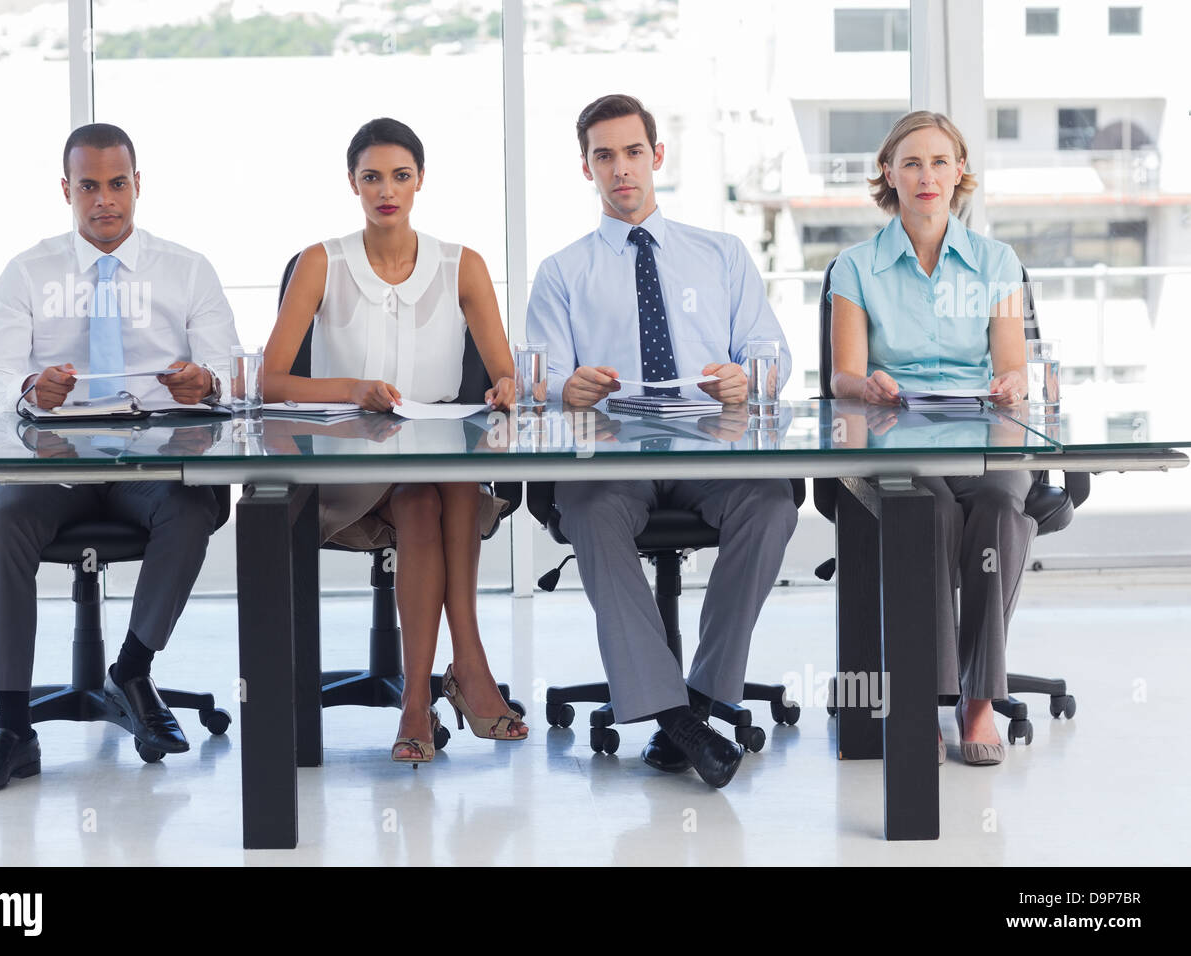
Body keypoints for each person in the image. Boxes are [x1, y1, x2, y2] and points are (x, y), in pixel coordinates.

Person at [0, 123, 239, 793]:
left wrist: (207, 382)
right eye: (89, 186)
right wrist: (29, 388)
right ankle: (12, 730)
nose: (104, 200)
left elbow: (232, 371)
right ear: (66, 190)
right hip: (58, 462)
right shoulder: (29, 272)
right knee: (3, 517)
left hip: (152, 462)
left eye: (117, 184)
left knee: (190, 508)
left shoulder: (187, 269)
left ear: (138, 185)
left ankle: (131, 672)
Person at [526, 94, 798, 789]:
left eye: (633, 152)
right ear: (586, 167)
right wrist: (567, 388)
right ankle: (681, 721)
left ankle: (697, 697)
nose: (621, 168)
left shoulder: (722, 255)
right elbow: (541, 378)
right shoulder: (562, 271)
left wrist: (747, 377)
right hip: (613, 448)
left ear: (657, 156)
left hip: (710, 442)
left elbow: (772, 354)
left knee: (772, 503)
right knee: (589, 509)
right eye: (604, 156)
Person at [263, 117, 526, 763]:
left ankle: (420, 699)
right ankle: (466, 674)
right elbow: (270, 381)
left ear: (420, 181)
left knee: (433, 490)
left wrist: (506, 389)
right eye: (372, 177)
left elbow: (506, 375)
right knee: (432, 490)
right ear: (352, 183)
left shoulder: (462, 265)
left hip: (433, 464)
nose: (387, 190)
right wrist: (353, 389)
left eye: (400, 176)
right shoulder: (321, 262)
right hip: (347, 465)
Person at [828, 109, 1032, 766]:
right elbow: (842, 377)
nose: (926, 176)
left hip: (981, 431)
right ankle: (925, 697)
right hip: (896, 433)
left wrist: (1011, 385)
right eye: (911, 163)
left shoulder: (997, 263)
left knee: (1001, 510)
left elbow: (1014, 367)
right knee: (931, 512)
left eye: (940, 162)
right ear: (888, 173)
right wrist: (868, 386)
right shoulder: (855, 267)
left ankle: (978, 699)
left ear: (959, 170)